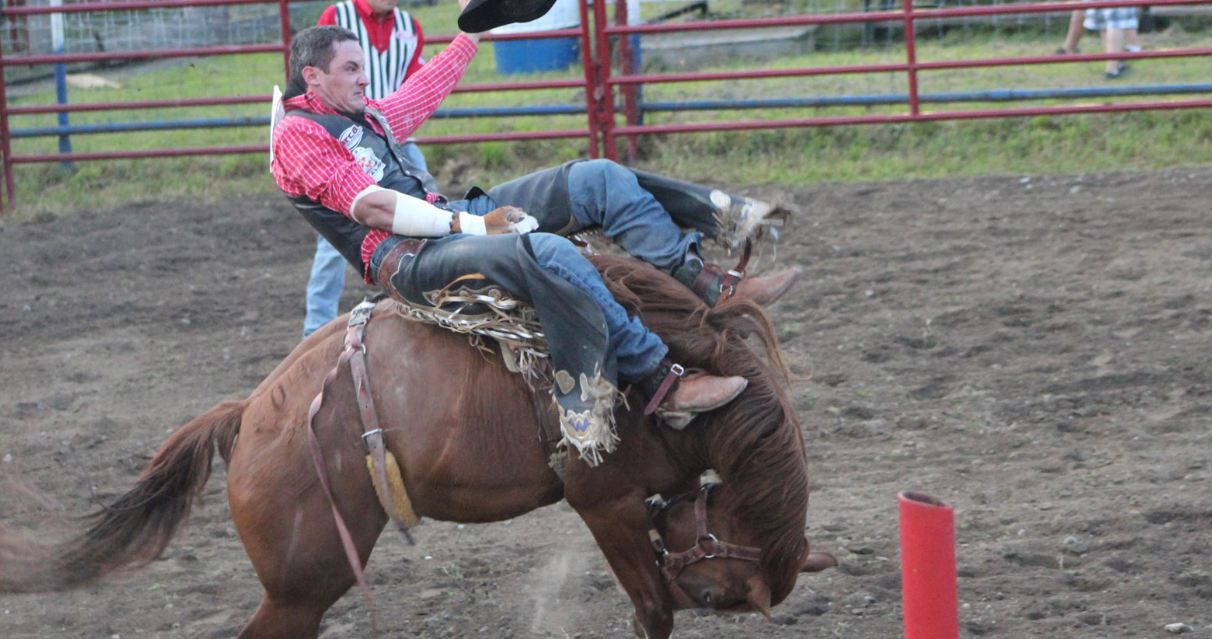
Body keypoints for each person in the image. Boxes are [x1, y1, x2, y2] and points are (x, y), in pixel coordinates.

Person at [271, 24, 799, 462]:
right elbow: (372, 207)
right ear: (312, 76)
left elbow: (421, 93)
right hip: (409, 260)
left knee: (596, 178)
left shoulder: (364, 116)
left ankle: (707, 282)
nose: (364, 79)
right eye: (351, 69)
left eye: (363, 67)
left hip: (450, 223)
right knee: (547, 251)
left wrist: (469, 32)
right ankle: (663, 385)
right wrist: (474, 228)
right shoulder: (297, 135)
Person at [303, 0, 430, 338]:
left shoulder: (409, 27)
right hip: (347, 139)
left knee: (430, 208)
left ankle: (422, 309)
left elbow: (415, 84)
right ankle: (315, 329)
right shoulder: (336, 17)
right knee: (334, 238)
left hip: (395, 137)